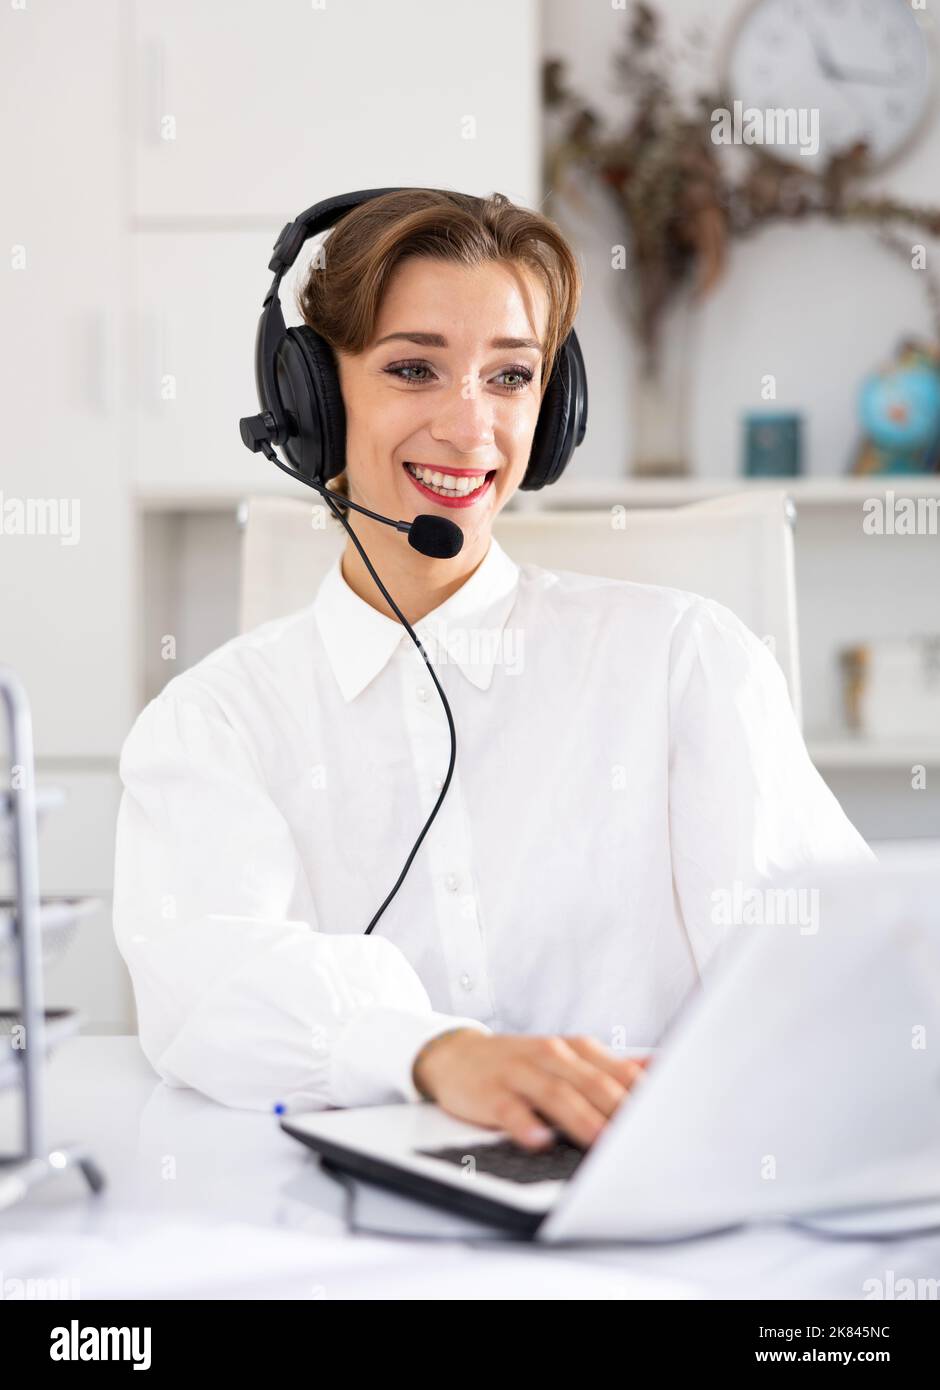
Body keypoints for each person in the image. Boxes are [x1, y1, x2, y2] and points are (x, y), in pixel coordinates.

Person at [113, 188, 873, 1153]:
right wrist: (434, 1055)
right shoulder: (214, 722)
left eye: (510, 377)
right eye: (414, 368)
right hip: (351, 1241)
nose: (471, 430)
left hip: (665, 1215)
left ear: (553, 411)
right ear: (308, 399)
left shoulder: (688, 662)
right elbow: (203, 979)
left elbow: (825, 974)